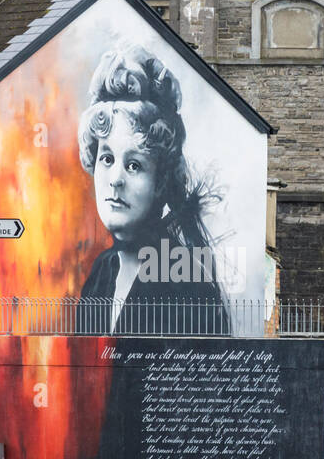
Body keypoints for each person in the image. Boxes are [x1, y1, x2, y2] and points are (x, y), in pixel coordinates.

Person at [77, 45, 230, 336]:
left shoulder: (187, 283)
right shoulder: (101, 272)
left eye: (134, 165)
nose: (115, 180)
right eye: (107, 159)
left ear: (161, 181)